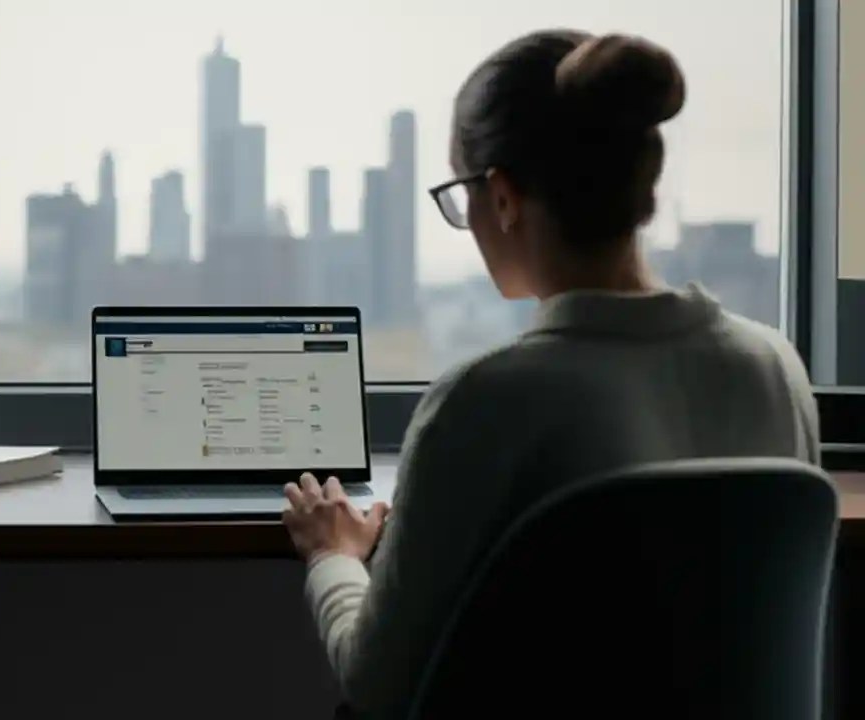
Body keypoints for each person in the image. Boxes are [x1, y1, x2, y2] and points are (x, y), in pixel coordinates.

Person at [281, 29, 819, 719]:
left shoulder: (484, 404)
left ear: (502, 197)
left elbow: (378, 685)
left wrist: (332, 556)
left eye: (459, 197)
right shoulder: (774, 368)